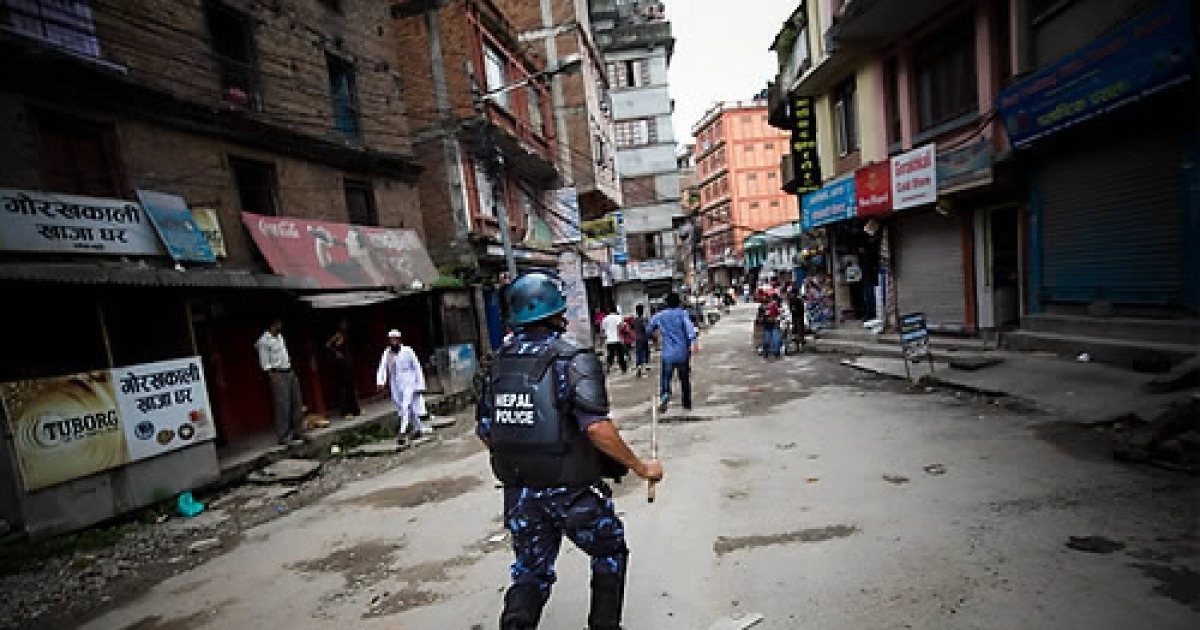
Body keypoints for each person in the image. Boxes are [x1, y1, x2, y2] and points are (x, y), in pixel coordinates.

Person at [476, 270, 663, 630]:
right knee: (609, 551)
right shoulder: (573, 358)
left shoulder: (497, 363)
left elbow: (486, 430)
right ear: (557, 314)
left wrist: (525, 456)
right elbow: (596, 428)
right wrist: (642, 469)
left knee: (529, 573)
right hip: (572, 491)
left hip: (520, 493)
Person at [255, 318, 307, 445]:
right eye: (278, 323)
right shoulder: (264, 341)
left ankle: (298, 432)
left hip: (289, 370)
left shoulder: (280, 337)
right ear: (272, 325)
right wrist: (273, 377)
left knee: (296, 402)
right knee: (283, 406)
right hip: (278, 373)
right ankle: (284, 436)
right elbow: (265, 364)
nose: (281, 325)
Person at [648, 292, 699, 413]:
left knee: (666, 378)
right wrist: (693, 342)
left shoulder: (659, 316)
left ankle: (665, 395)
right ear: (679, 302)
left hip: (668, 353)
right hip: (682, 353)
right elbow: (689, 329)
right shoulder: (682, 314)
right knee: (684, 379)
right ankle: (686, 403)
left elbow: (649, 328)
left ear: (666, 303)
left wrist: (654, 335)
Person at [376, 329, 429, 442]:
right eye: (391, 339)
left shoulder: (408, 351)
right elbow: (382, 367)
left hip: (409, 380)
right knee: (403, 407)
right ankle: (418, 428)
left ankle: (402, 432)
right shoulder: (387, 353)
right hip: (395, 382)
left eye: (395, 339)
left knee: (406, 406)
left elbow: (417, 367)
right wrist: (381, 381)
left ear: (399, 340)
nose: (393, 342)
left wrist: (420, 384)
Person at [325, 319, 361, 419]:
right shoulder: (338, 335)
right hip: (341, 364)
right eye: (343, 323)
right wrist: (336, 352)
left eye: (345, 323)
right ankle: (345, 412)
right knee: (343, 388)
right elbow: (327, 344)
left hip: (348, 362)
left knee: (351, 386)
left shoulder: (346, 335)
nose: (344, 325)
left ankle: (355, 409)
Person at [601, 308, 627, 374]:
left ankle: (608, 367)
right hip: (617, 339)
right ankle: (623, 369)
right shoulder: (617, 317)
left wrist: (605, 337)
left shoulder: (605, 319)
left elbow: (602, 330)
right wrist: (620, 336)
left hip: (609, 340)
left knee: (610, 355)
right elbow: (620, 326)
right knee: (620, 355)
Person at [632, 304, 651, 378]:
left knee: (638, 354)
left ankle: (639, 368)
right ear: (642, 311)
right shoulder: (643, 320)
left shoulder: (635, 320)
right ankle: (644, 370)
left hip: (637, 339)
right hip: (644, 338)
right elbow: (646, 329)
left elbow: (633, 329)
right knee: (645, 353)